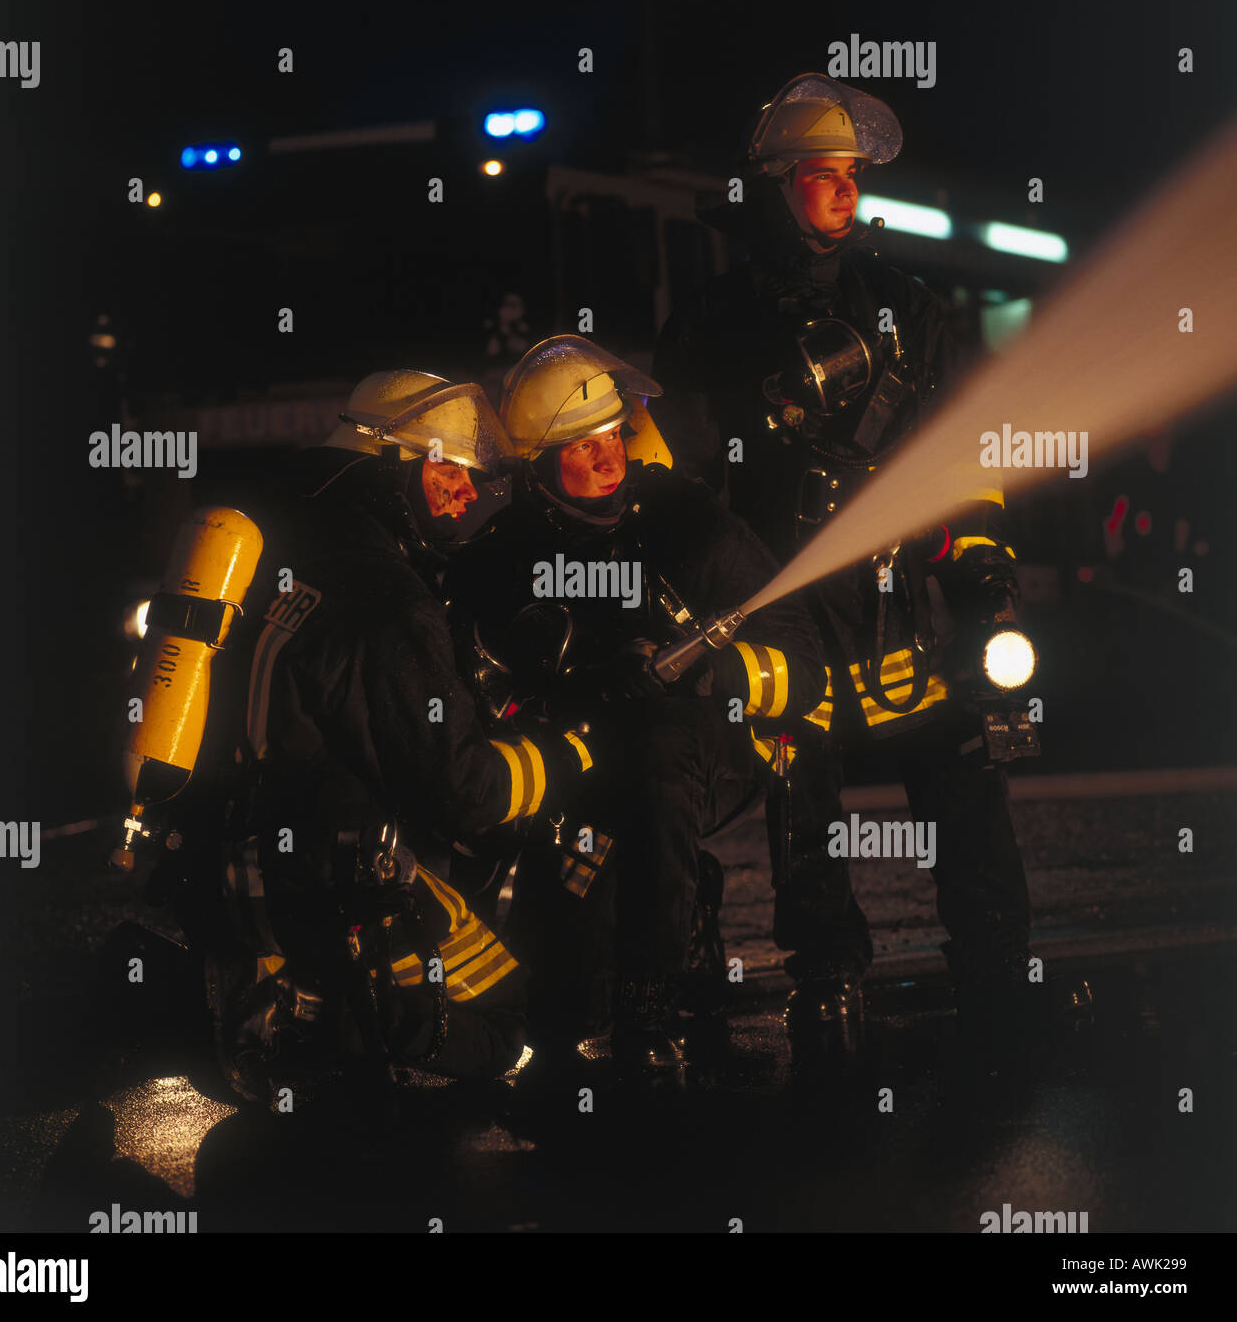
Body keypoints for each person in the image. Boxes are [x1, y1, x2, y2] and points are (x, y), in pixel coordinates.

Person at [653, 72, 1082, 1052]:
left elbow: (957, 464)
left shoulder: (909, 309)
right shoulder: (708, 329)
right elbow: (678, 490)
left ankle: (997, 973)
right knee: (804, 800)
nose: (845, 191)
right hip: (785, 606)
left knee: (967, 779)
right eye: (821, 175)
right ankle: (828, 983)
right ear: (774, 187)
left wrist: (982, 580)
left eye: (850, 174)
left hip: (903, 606)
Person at [145, 371, 597, 1099]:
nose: (464, 494)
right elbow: (468, 794)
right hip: (329, 894)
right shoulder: (386, 598)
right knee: (509, 1017)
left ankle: (221, 995)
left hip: (226, 878)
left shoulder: (273, 545)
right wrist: (566, 752)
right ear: (396, 466)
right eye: (447, 470)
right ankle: (325, 1016)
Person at [444, 335, 828, 1080]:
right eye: (582, 447)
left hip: (703, 754)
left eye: (613, 434)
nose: (607, 457)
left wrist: (710, 671)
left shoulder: (686, 522)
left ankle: (650, 1009)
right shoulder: (502, 553)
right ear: (540, 464)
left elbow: (804, 664)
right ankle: (671, 909)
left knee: (659, 750)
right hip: (579, 775)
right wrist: (582, 686)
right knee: (555, 1013)